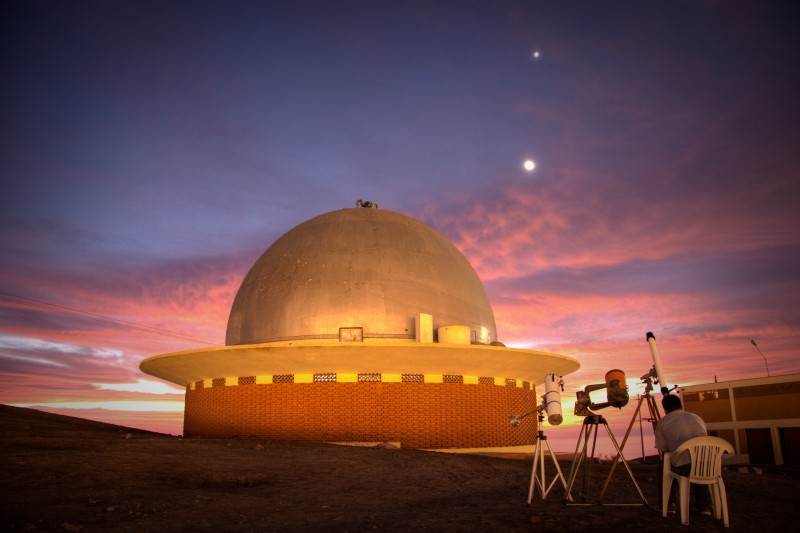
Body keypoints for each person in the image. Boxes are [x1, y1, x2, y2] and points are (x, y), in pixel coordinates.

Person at [655, 394, 710, 514]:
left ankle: (669, 505)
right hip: (707, 466)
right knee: (697, 462)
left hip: (682, 468)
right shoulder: (696, 418)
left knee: (663, 466)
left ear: (665, 409)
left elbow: (664, 450)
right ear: (681, 405)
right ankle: (704, 506)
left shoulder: (663, 422)